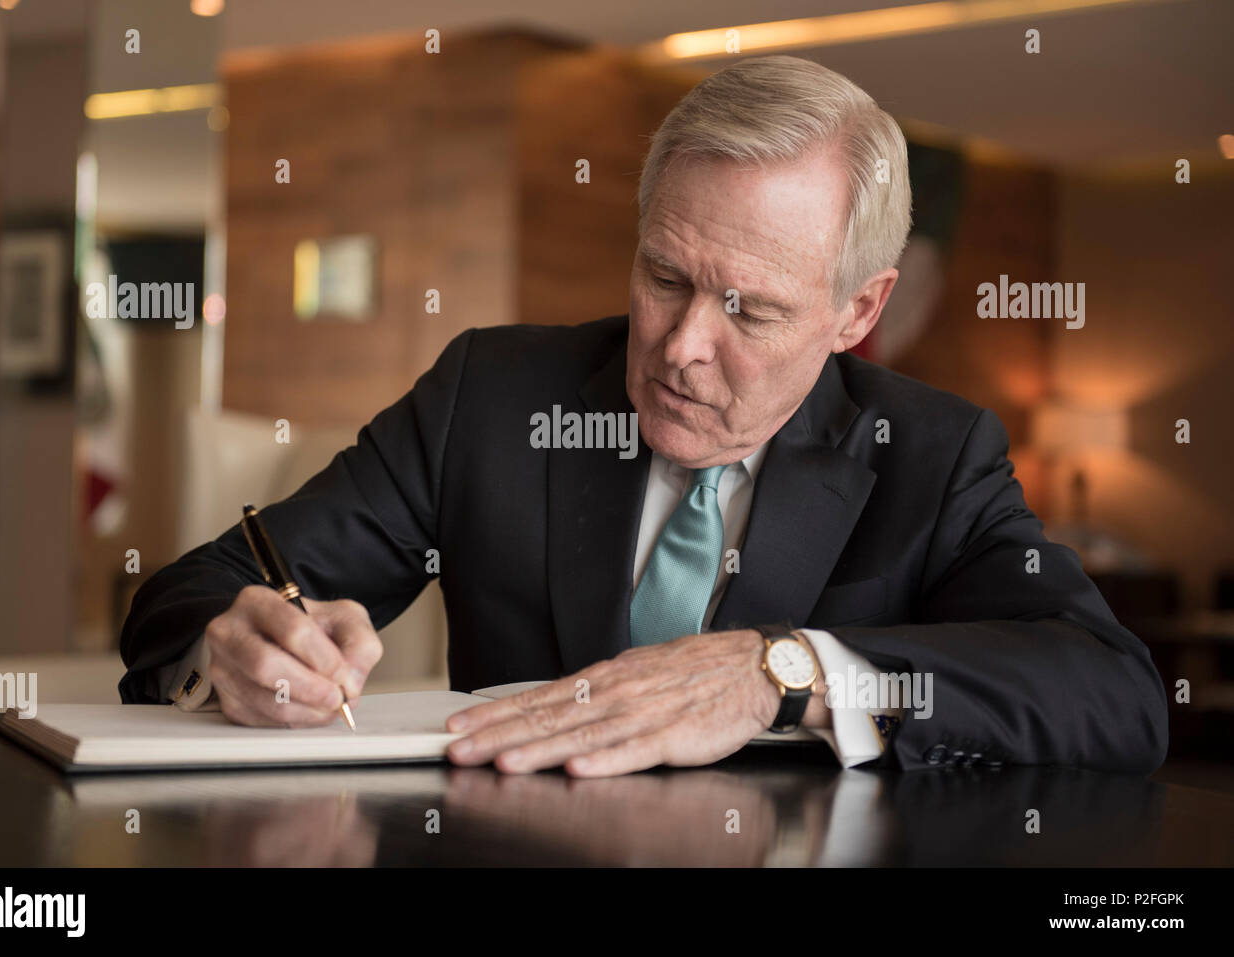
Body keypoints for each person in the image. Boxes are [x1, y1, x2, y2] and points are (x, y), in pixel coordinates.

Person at [119, 55, 1167, 777]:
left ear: (859, 311)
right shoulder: (493, 398)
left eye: (749, 308)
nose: (678, 346)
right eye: (664, 276)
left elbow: (1111, 692)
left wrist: (782, 671)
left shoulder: (932, 457)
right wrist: (233, 647)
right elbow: (198, 591)